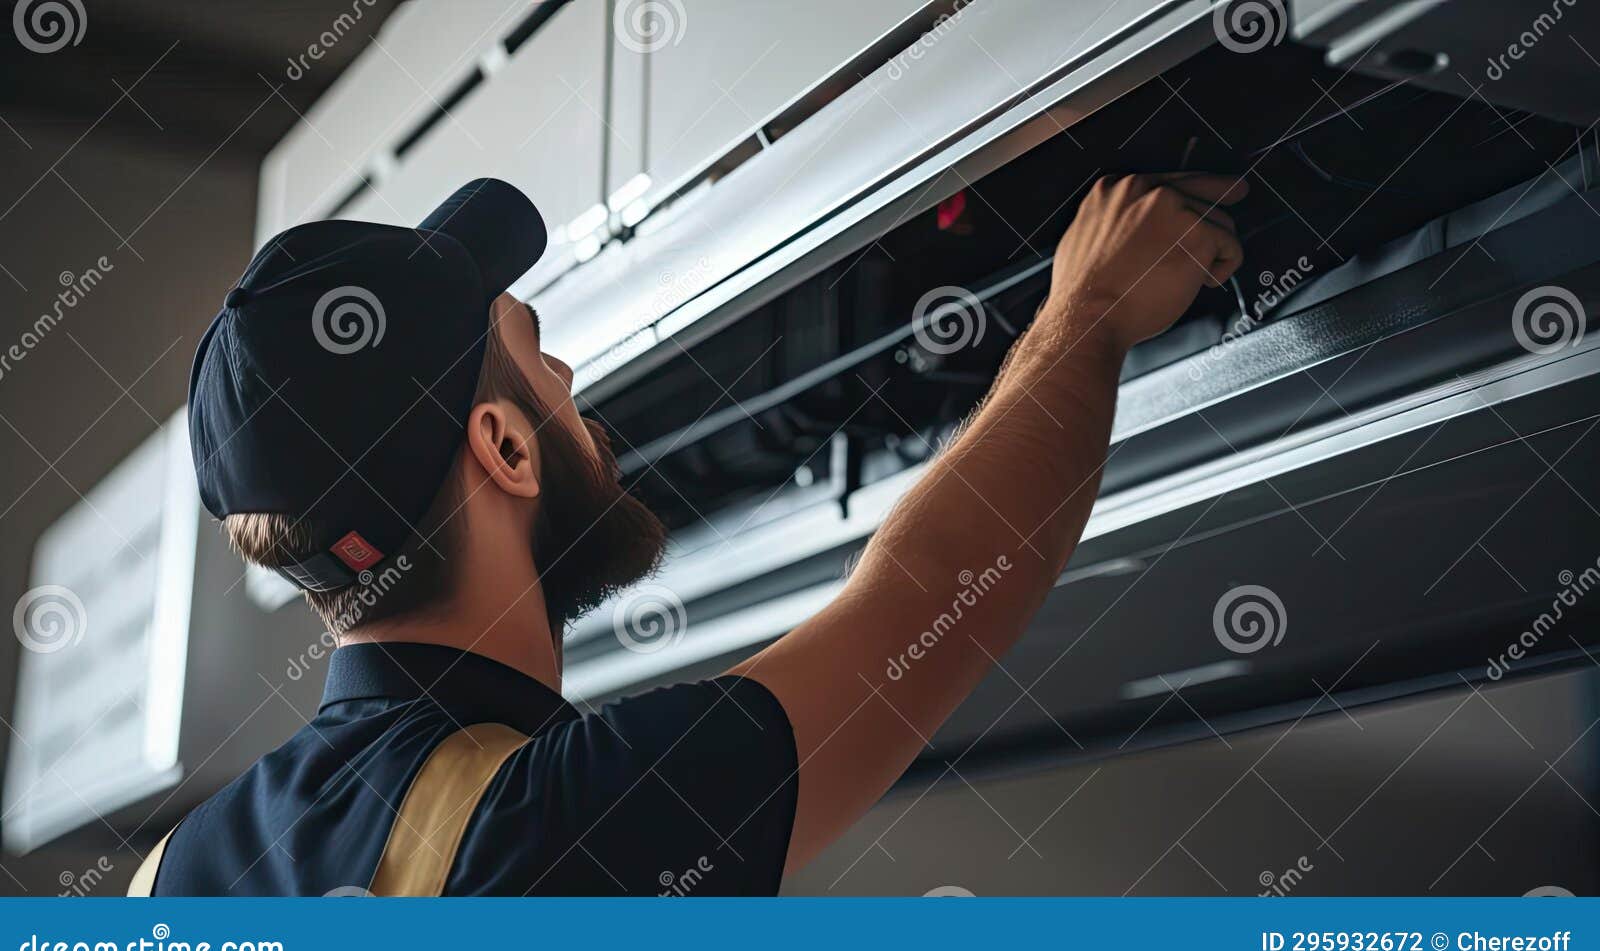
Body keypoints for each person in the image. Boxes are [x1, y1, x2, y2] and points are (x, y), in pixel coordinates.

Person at [133, 172, 1244, 895]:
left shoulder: (160, 884)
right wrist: (1089, 308)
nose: (569, 377)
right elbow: (934, 595)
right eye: (533, 349)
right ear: (506, 451)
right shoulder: (538, 827)